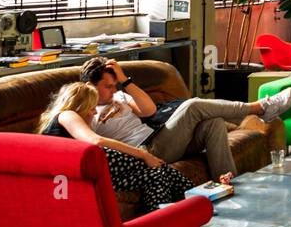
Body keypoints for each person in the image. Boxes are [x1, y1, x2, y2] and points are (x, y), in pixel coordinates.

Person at [78, 57, 291, 181]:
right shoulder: (84, 113)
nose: (112, 89)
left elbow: (148, 110)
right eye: (107, 86)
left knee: (213, 124)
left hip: (160, 139)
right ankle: (257, 108)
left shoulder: (120, 95)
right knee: (192, 106)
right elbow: (90, 143)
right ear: (90, 87)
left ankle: (229, 183)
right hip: (144, 151)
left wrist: (125, 82)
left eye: (113, 84)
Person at [36, 81, 194, 214]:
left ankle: (162, 217)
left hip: (89, 172)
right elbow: (96, 141)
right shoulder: (67, 114)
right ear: (80, 105)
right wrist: (143, 154)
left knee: (157, 173)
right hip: (76, 170)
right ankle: (197, 201)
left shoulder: (68, 120)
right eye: (92, 107)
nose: (93, 112)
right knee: (154, 165)